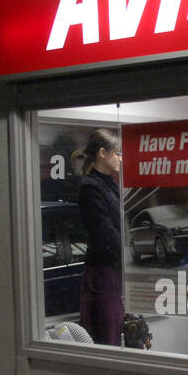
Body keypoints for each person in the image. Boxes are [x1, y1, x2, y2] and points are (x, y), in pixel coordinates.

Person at [73, 128, 125, 346]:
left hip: (114, 268)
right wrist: (127, 251)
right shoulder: (90, 187)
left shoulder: (110, 184)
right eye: (118, 153)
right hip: (103, 271)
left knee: (117, 327)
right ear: (103, 153)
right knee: (107, 332)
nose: (122, 158)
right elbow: (104, 231)